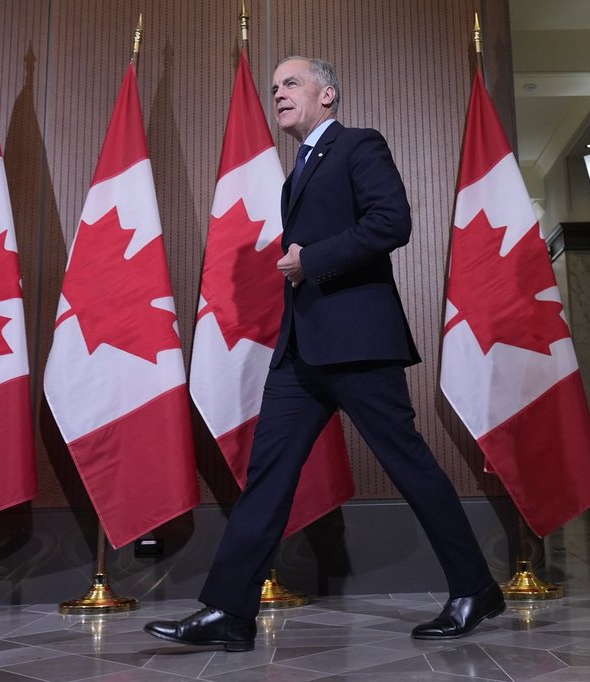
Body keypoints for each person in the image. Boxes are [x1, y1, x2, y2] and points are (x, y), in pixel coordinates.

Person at [144, 56, 504, 652]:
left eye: (291, 83)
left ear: (327, 95)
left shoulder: (360, 146)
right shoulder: (298, 171)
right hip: (300, 352)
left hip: (358, 344)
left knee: (409, 464)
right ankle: (228, 613)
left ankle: (475, 589)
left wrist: (310, 259)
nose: (278, 93)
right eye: (274, 86)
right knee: (267, 477)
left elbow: (393, 222)